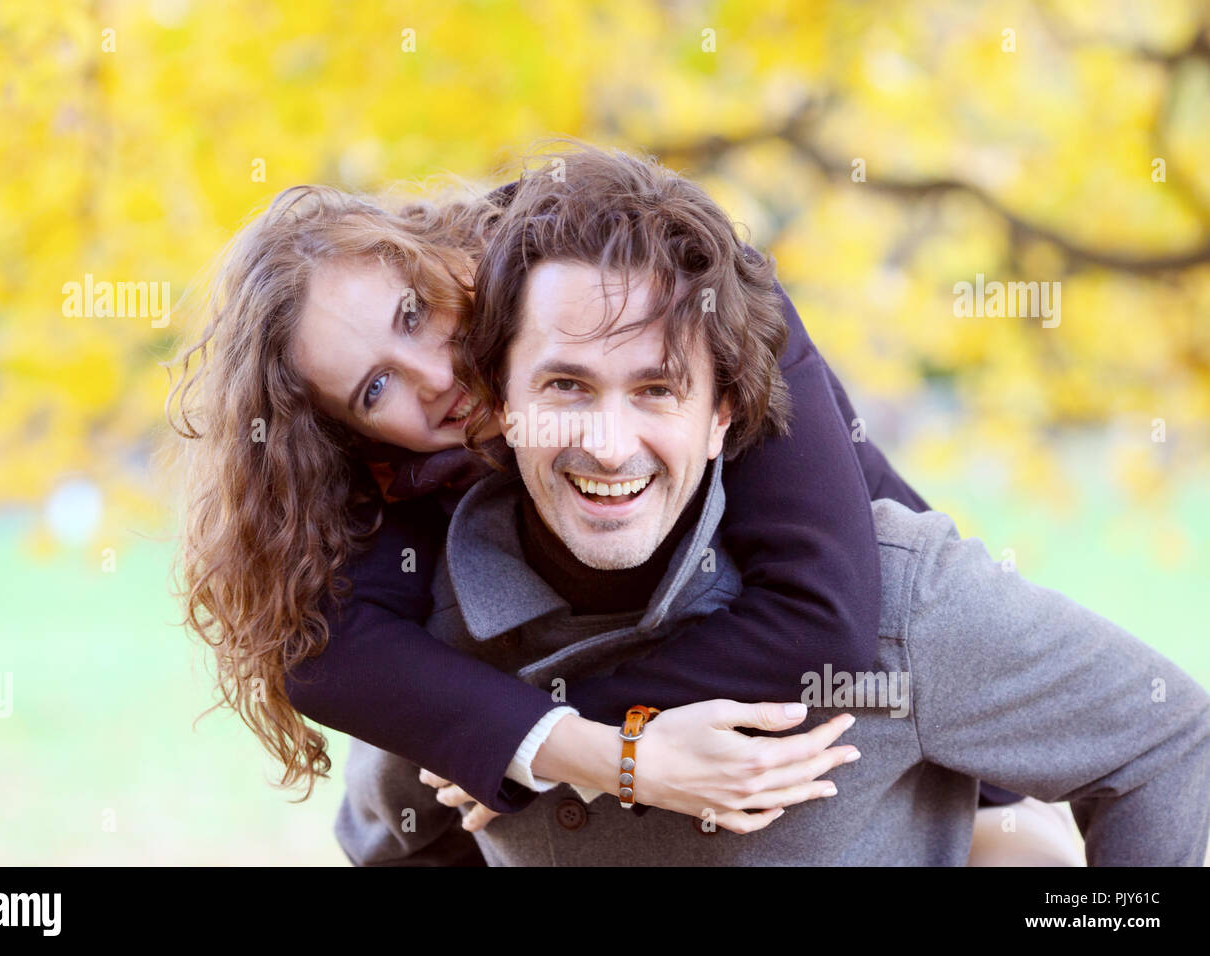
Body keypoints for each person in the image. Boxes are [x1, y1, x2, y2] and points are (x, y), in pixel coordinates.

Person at [167, 140, 1053, 860]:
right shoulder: (395, 465)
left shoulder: (676, 284)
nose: (436, 377)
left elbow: (819, 623)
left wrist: (545, 744)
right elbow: (319, 652)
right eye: (373, 390)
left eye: (412, 314)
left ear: (429, 247)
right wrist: (598, 757)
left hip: (928, 763)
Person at [336, 149, 1210, 865]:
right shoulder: (437, 649)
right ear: (500, 401)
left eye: (655, 389)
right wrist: (542, 745)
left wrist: (577, 745)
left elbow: (1166, 738)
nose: (607, 442)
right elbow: (400, 842)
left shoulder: (905, 600)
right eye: (565, 386)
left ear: (722, 415)